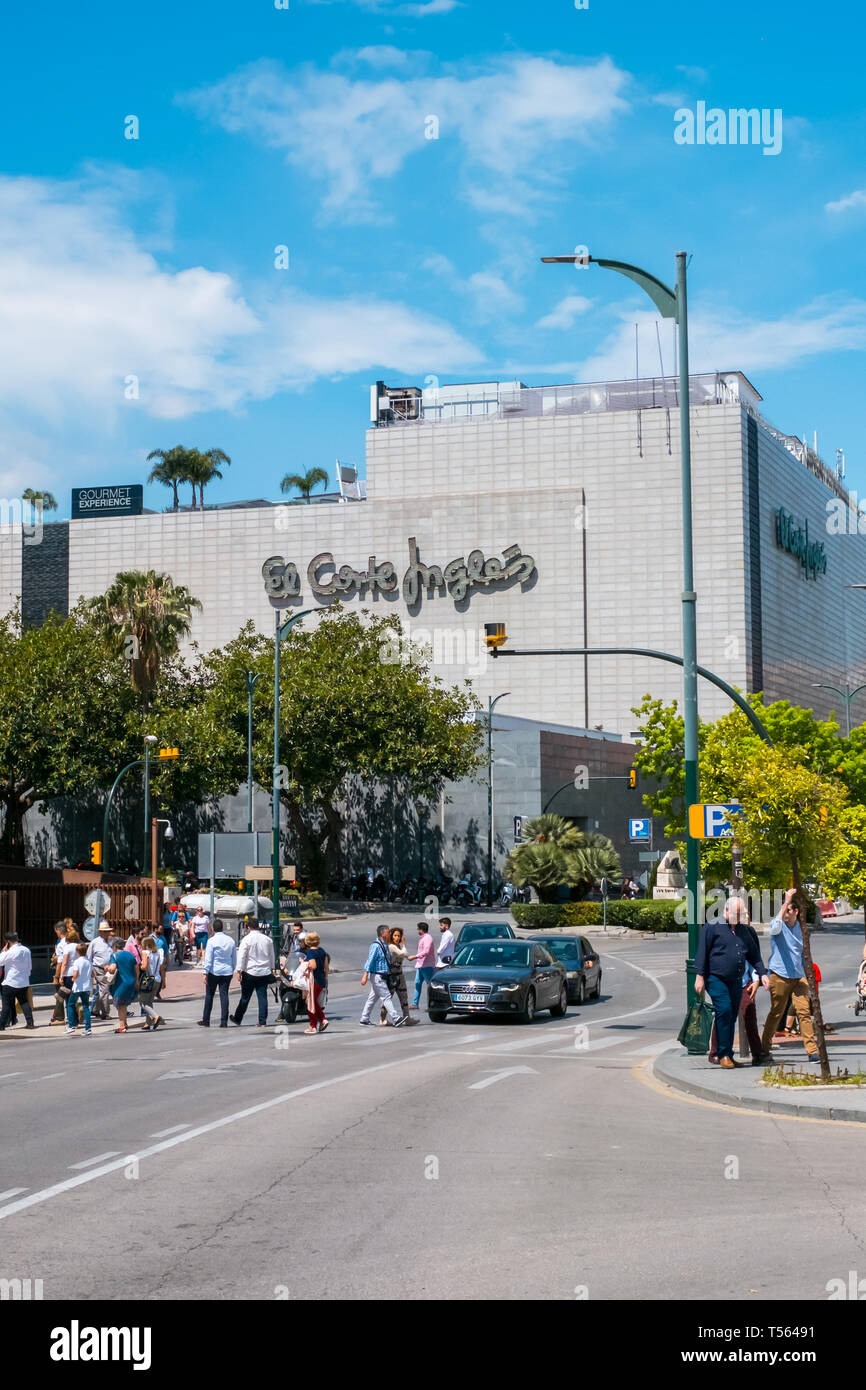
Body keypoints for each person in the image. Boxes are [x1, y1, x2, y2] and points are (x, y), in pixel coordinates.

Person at [695, 899, 769, 1069]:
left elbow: (754, 955)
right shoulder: (712, 926)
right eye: (738, 914)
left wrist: (763, 974)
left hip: (735, 980)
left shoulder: (744, 931)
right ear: (727, 911)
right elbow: (702, 952)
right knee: (725, 1010)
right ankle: (722, 1054)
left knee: (731, 1015)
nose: (741, 917)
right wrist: (699, 976)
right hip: (716, 978)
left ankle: (727, 1053)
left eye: (742, 914)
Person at [759, 890, 821, 1064]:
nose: (785, 912)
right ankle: (764, 1047)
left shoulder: (802, 930)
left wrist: (808, 975)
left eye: (788, 910)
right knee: (777, 1012)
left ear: (796, 912)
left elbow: (804, 954)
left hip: (798, 976)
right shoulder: (778, 926)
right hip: (780, 975)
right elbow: (774, 927)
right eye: (784, 910)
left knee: (804, 1012)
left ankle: (812, 1051)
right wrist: (786, 902)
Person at [231, 921, 275, 1028]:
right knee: (262, 996)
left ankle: (238, 1018)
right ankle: (262, 1020)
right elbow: (271, 955)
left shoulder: (246, 939)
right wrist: (272, 967)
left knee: (245, 997)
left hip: (250, 972)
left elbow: (242, 956)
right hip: (264, 971)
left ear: (248, 927)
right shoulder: (267, 939)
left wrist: (239, 970)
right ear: (258, 927)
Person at [359, 926, 405, 1027]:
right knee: (386, 996)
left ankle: (364, 1018)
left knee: (372, 998)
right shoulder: (375, 946)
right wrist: (365, 975)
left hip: (383, 975)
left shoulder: (385, 945)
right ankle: (396, 1018)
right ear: (382, 934)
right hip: (377, 976)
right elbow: (370, 960)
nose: (390, 934)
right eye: (388, 932)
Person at [199, 919, 237, 1028]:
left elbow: (209, 958)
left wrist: (205, 972)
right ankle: (224, 1021)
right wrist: (232, 968)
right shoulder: (230, 940)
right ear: (222, 928)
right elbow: (234, 957)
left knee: (209, 995)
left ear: (213, 929)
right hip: (227, 971)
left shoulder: (211, 941)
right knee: (224, 995)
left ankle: (206, 1020)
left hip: (214, 971)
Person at [0, 933, 35, 1031]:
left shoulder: (11, 951)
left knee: (6, 1004)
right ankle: (30, 1023)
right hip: (23, 982)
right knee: (24, 1002)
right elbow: (29, 966)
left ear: (8, 942)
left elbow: (0, 961)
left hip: (11, 981)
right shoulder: (26, 950)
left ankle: (1, 1025)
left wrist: (3, 951)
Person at [298, 930, 330, 1034]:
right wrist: (325, 979)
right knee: (314, 1002)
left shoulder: (310, 952)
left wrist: (304, 963)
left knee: (310, 1002)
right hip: (321, 980)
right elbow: (326, 967)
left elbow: (313, 965)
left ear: (307, 941)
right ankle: (321, 1021)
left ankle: (314, 1025)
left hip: (313, 980)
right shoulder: (322, 951)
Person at [106, 937, 139, 1034]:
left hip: (121, 983)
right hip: (131, 982)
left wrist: (106, 968)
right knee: (123, 1005)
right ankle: (125, 1023)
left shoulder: (114, 956)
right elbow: (136, 967)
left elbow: (112, 968)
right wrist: (136, 980)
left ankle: (122, 1026)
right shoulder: (130, 955)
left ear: (115, 947)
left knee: (120, 1006)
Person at [380, 924, 411, 1024]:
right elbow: (404, 954)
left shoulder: (397, 946)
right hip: (392, 976)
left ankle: (407, 1017)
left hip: (400, 975)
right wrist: (404, 944)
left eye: (399, 936)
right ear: (391, 936)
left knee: (404, 996)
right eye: (395, 936)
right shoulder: (391, 946)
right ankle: (383, 1019)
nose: (397, 938)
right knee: (388, 997)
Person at [86, 921, 114, 1021]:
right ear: (100, 932)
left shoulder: (111, 941)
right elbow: (89, 957)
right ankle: (105, 1013)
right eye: (105, 931)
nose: (107, 933)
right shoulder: (95, 942)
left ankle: (95, 1009)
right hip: (99, 969)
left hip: (109, 970)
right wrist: (90, 970)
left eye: (108, 931)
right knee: (105, 990)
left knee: (101, 991)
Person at [138, 936, 166, 1030]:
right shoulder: (158, 953)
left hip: (148, 979)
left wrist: (139, 967)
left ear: (145, 945)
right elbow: (162, 967)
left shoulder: (145, 953)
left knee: (142, 1002)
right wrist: (164, 981)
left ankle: (156, 1017)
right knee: (149, 1001)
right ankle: (148, 1022)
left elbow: (144, 966)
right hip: (157, 979)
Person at [65, 943, 93, 1036]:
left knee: (70, 1004)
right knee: (86, 1007)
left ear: (77, 952)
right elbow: (92, 974)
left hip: (77, 987)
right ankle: (88, 1028)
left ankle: (71, 1026)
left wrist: (73, 979)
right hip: (86, 987)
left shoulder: (77, 962)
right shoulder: (89, 961)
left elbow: (76, 974)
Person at [409, 921, 437, 1010]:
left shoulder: (427, 938)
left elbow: (426, 951)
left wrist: (414, 956)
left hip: (427, 965)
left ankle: (432, 1004)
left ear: (421, 929)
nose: (417, 930)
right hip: (420, 965)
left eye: (418, 929)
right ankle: (415, 1004)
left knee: (431, 986)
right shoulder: (423, 938)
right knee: (417, 983)